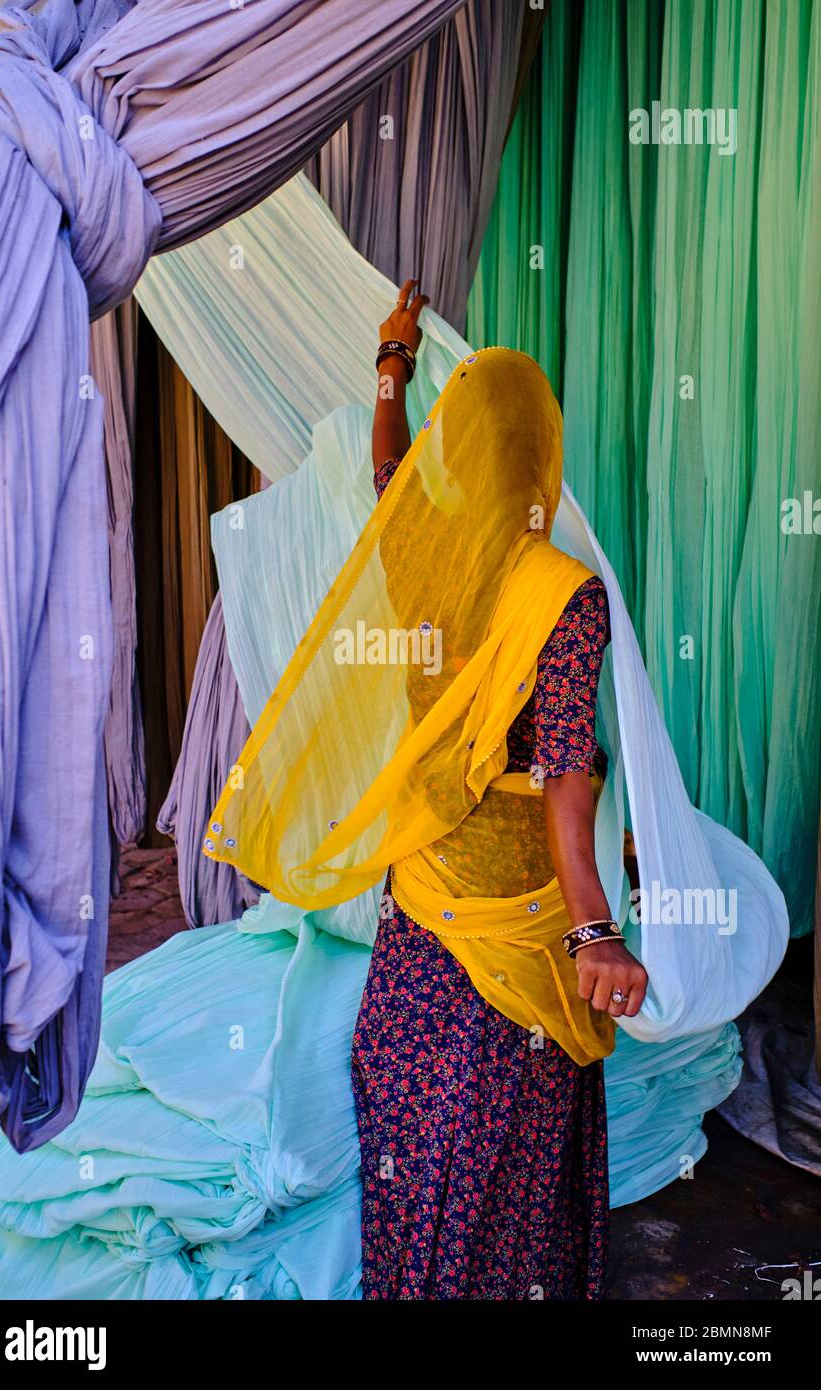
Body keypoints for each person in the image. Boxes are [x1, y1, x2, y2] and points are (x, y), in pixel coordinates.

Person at [348, 280, 649, 1300]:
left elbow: (385, 466)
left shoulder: (416, 552)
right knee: (500, 1164)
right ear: (537, 460)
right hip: (509, 937)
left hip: (419, 904)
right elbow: (566, 780)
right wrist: (590, 935)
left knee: (407, 1133)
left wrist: (391, 360)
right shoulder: (559, 595)